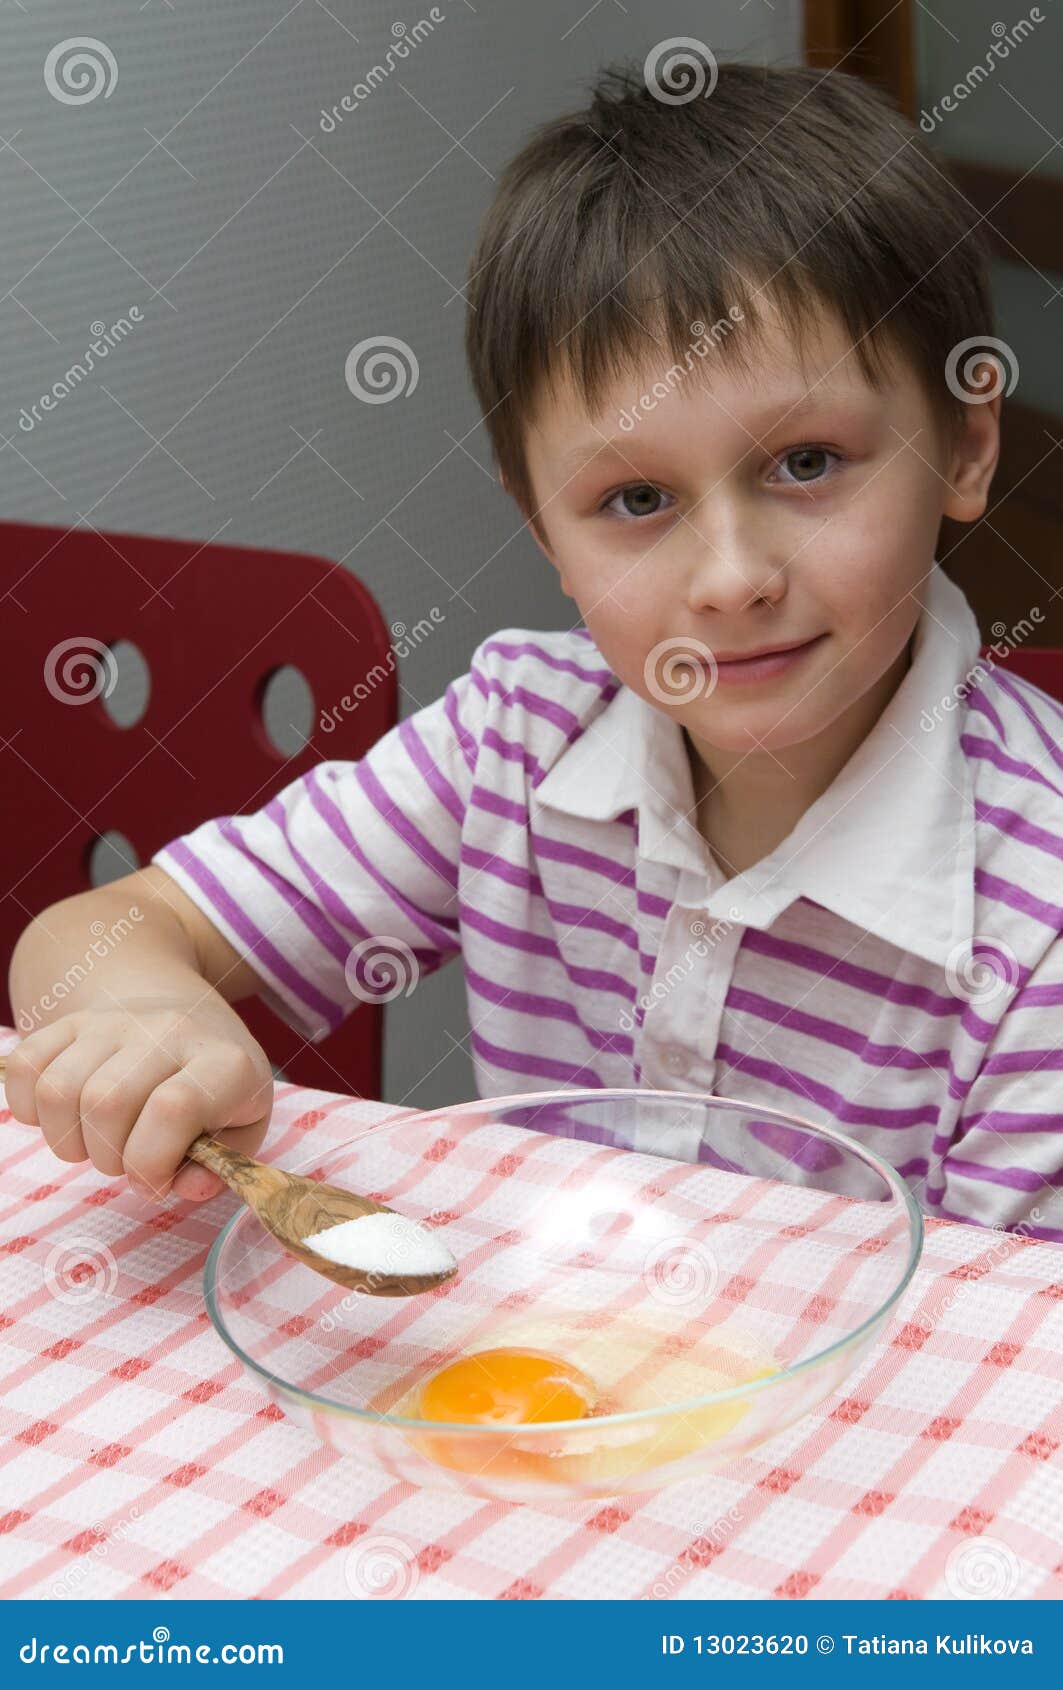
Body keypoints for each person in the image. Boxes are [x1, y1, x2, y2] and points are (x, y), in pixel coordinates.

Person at [7, 59, 1061, 1238]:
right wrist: (153, 1014)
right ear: (542, 527)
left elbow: (1010, 1375)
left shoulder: (1036, 918)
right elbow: (86, 938)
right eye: (635, 499)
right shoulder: (513, 738)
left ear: (966, 448)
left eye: (805, 463)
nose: (728, 580)